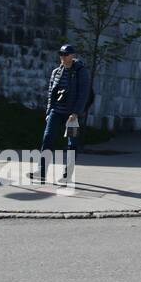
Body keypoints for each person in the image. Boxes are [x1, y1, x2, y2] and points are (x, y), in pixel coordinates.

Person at [33, 44, 91, 184]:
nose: (62, 57)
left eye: (65, 54)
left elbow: (83, 94)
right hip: (56, 112)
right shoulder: (56, 72)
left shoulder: (81, 72)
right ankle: (41, 172)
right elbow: (50, 94)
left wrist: (76, 113)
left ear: (72, 56)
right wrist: (49, 112)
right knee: (47, 139)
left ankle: (67, 175)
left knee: (72, 144)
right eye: (61, 54)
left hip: (72, 115)